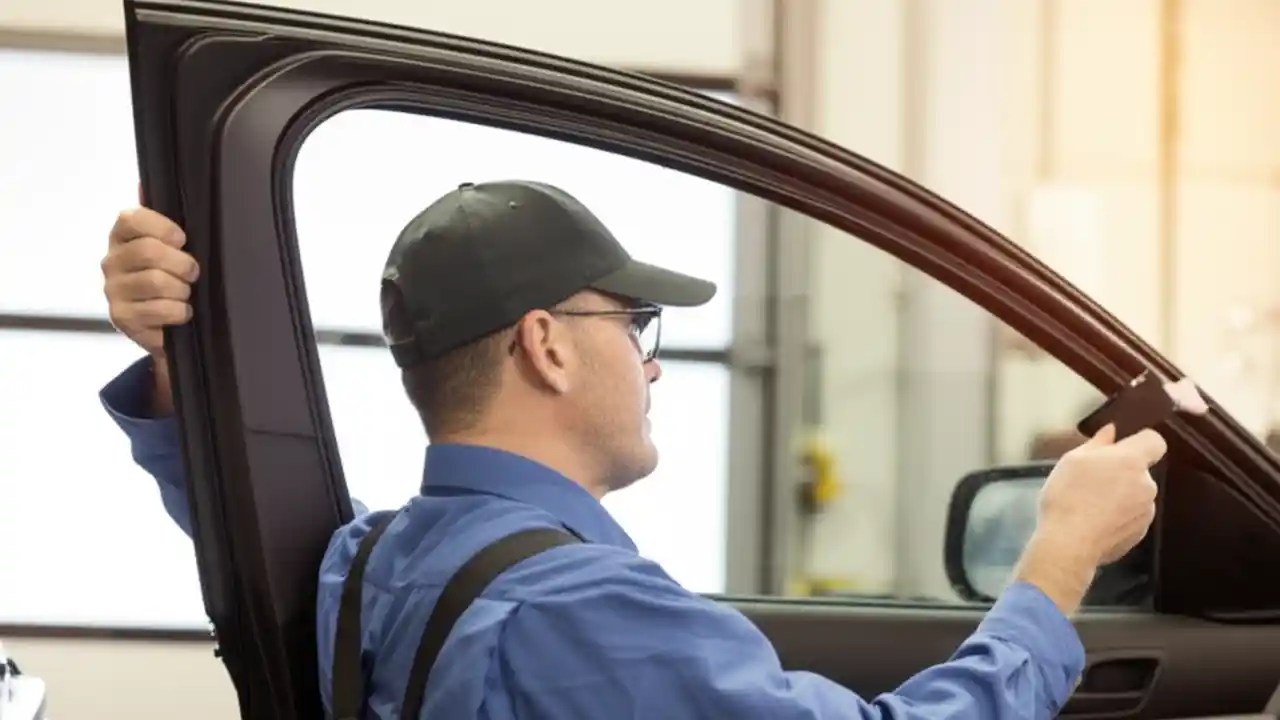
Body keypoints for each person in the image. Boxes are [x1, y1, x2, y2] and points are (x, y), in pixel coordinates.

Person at [100, 180, 1168, 719]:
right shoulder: (575, 609)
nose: (651, 368)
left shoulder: (365, 563)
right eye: (633, 326)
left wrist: (173, 358)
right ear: (547, 345)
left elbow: (233, 509)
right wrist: (1059, 556)